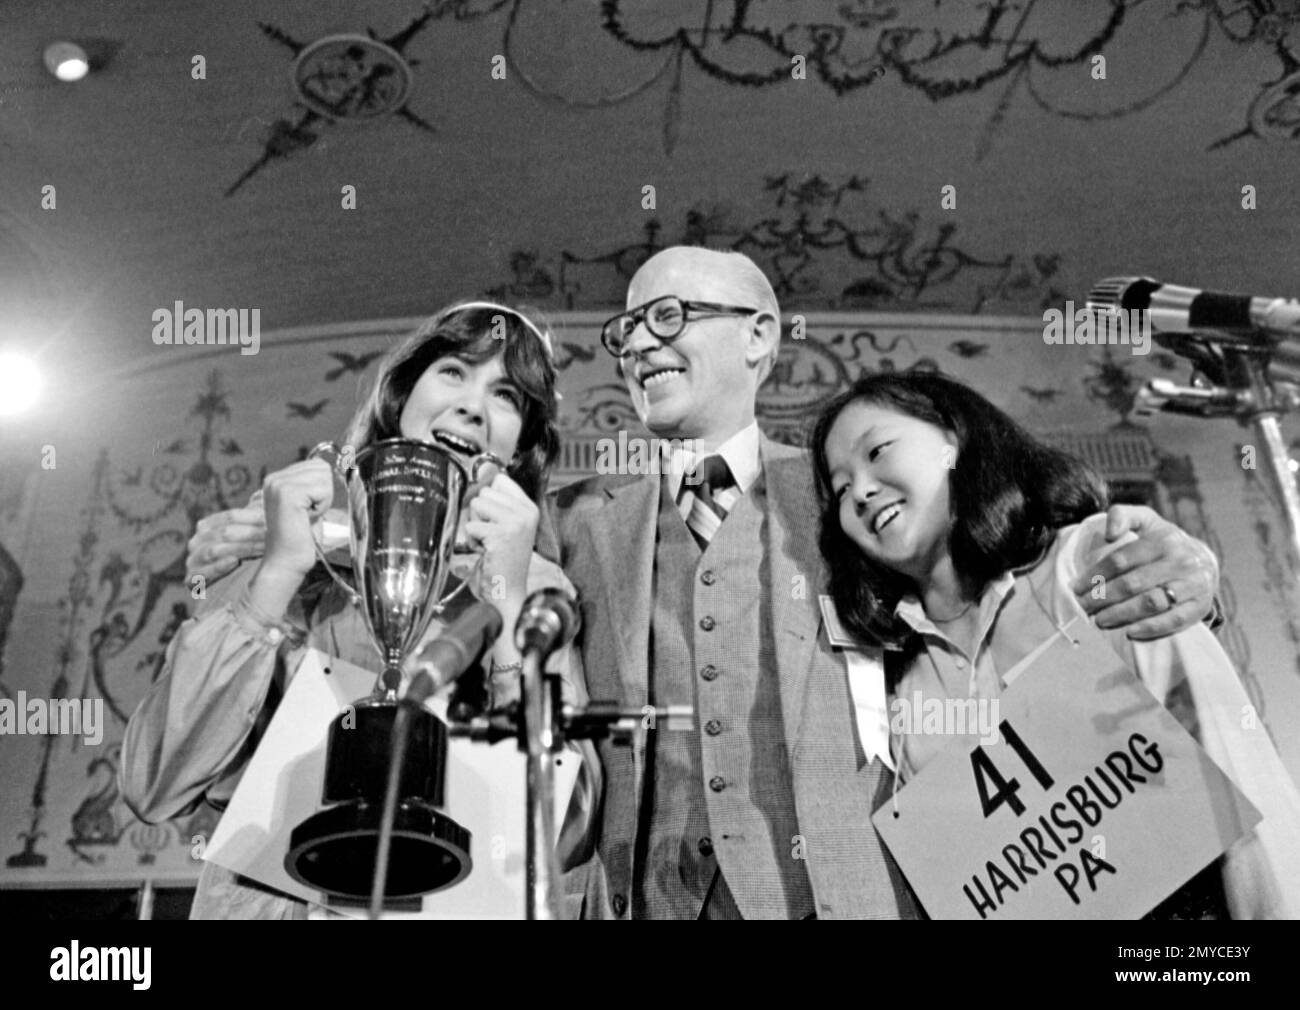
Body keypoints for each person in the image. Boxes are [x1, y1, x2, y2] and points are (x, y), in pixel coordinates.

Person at [186, 247, 1223, 919]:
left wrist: (1173, 567)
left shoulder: (858, 485)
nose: (640, 343)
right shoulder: (566, 516)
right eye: (627, 330)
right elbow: (417, 518)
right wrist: (259, 536)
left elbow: (1022, 556)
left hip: (861, 894)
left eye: (670, 313)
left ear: (760, 337)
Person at [121, 301, 594, 919]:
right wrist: (280, 572)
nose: (474, 404)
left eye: (505, 395)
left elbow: (562, 836)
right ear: (401, 397)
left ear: (520, 445)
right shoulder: (290, 548)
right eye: (453, 371)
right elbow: (154, 782)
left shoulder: (535, 586)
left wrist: (504, 609)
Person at [809, 371, 1300, 918]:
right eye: (841, 489)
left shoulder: (1090, 562)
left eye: (877, 451)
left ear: (957, 440)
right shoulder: (898, 686)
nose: (862, 491)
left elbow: (1236, 774)